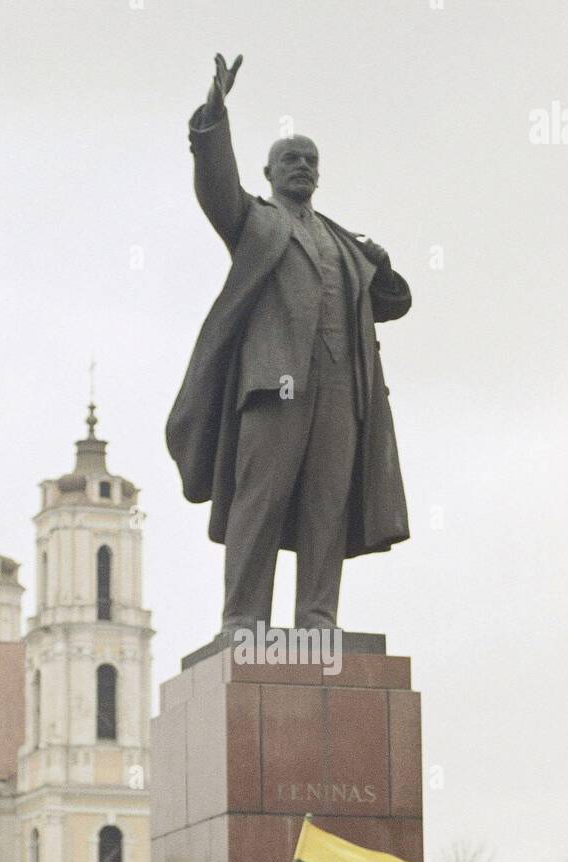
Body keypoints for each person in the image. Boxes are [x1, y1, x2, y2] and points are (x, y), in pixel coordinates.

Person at [168, 52, 411, 635]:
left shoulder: (341, 240)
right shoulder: (255, 221)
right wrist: (213, 118)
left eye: (310, 160)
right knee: (261, 504)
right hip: (273, 386)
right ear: (270, 172)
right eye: (289, 159)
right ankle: (245, 621)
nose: (301, 166)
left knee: (326, 507)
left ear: (319, 175)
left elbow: (395, 304)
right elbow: (216, 186)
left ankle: (318, 620)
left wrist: (380, 260)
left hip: (340, 394)